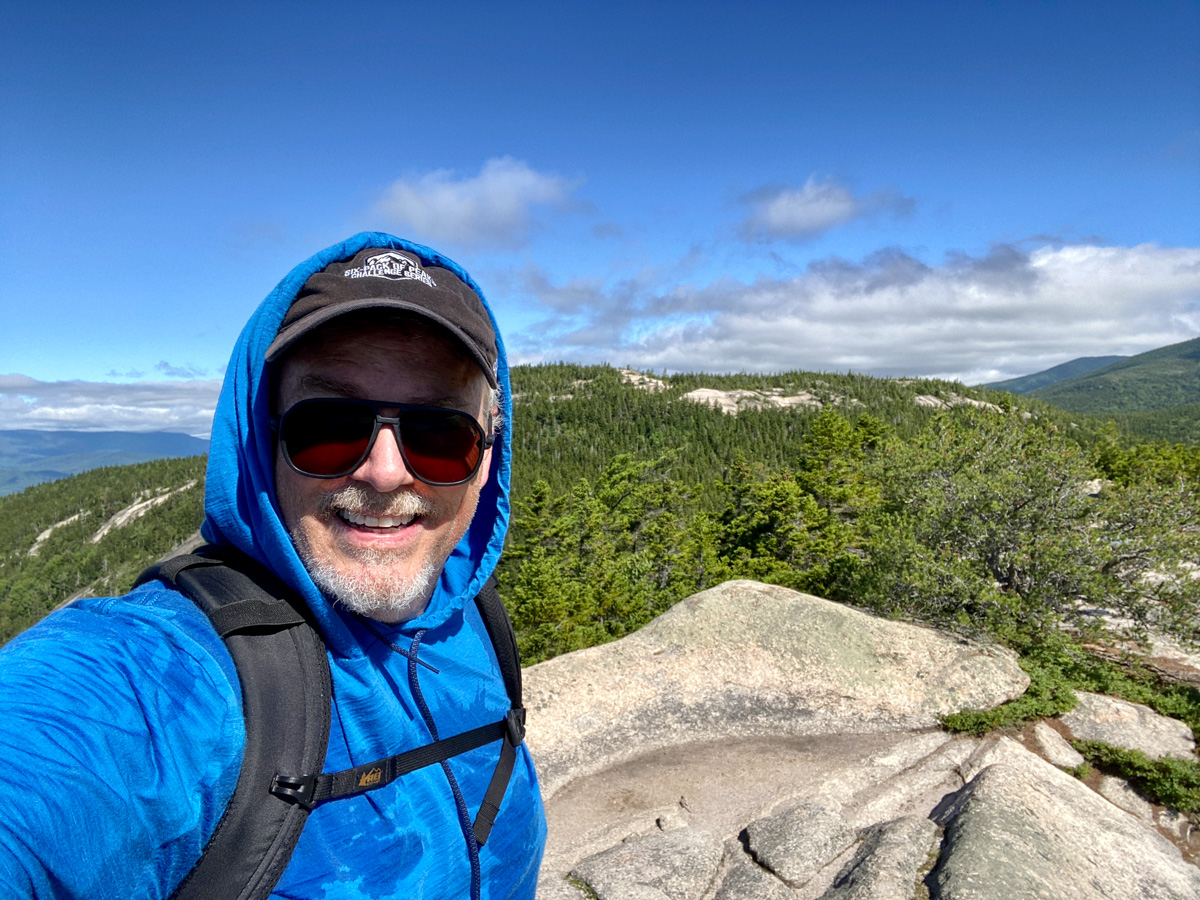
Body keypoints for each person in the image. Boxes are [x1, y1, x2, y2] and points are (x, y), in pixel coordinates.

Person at [0, 234, 547, 899]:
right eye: (328, 426)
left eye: (439, 435)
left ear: (488, 454)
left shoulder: (475, 619)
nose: (383, 472)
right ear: (264, 434)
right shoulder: (167, 675)